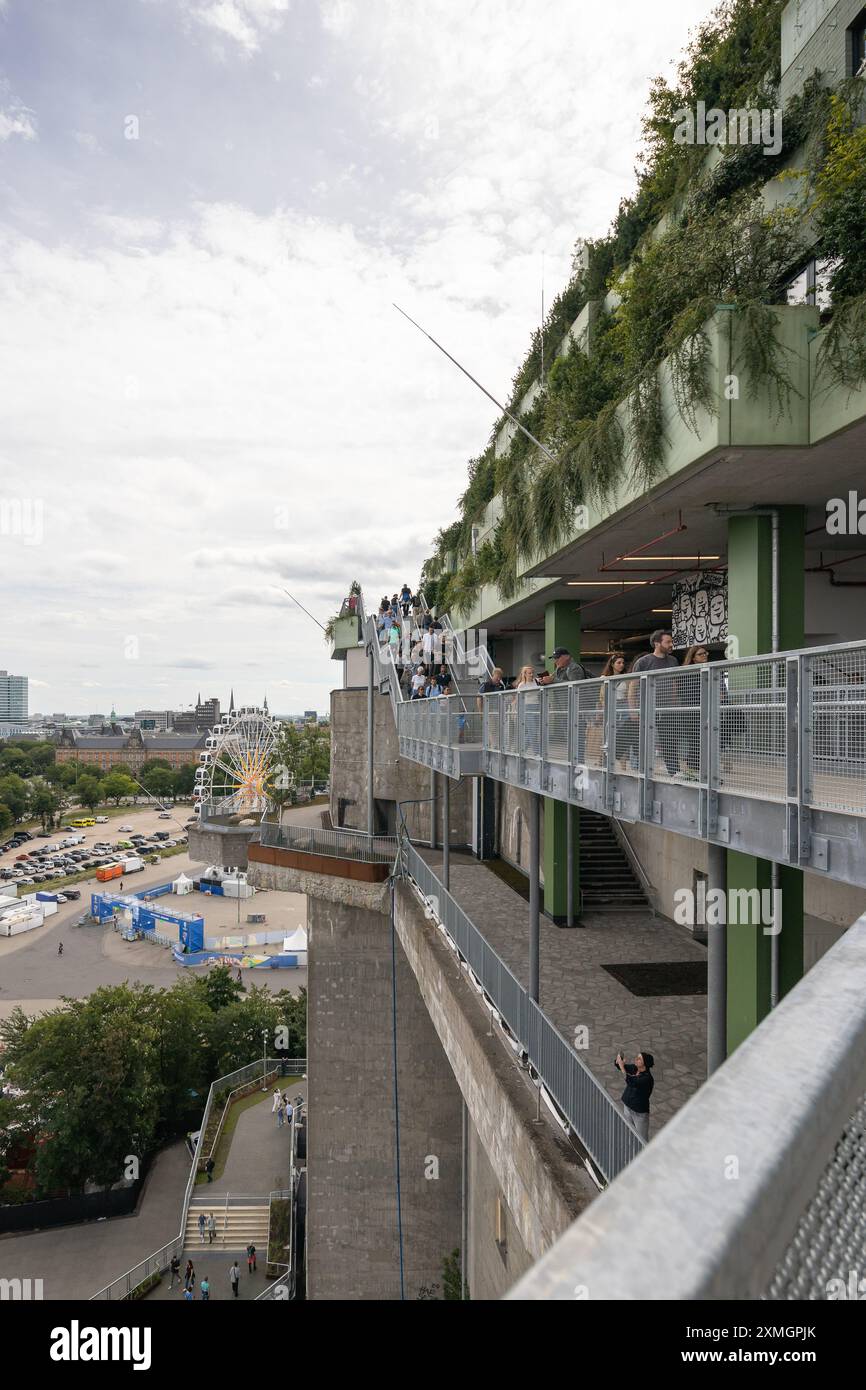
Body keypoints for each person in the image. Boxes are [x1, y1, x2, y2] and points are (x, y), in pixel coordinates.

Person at [629, 630, 681, 777]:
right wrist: (633, 710)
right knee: (644, 741)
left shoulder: (673, 661)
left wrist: (675, 704)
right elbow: (633, 686)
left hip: (667, 710)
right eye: (668, 642)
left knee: (670, 740)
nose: (671, 644)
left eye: (671, 642)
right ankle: (642, 770)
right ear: (657, 643)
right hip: (647, 709)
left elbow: (673, 683)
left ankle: (673, 771)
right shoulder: (644, 662)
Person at [600, 652, 638, 771]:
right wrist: (603, 709)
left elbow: (631, 694)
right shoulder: (604, 678)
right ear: (612, 664)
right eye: (618, 662)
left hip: (625, 707)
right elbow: (601, 697)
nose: (621, 665)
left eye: (623, 663)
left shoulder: (627, 678)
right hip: (611, 708)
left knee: (624, 737)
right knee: (610, 736)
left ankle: (623, 767)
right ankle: (608, 762)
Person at [681, 645, 710, 777]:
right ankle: (693, 770)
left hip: (706, 712)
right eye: (701, 654)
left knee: (706, 741)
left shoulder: (709, 671)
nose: (705, 655)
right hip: (692, 714)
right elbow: (688, 695)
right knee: (696, 741)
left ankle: (701, 771)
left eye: (705, 653)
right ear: (693, 658)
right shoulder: (689, 673)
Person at [615, 1050, 655, 1142]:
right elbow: (620, 1067)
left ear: (645, 1064)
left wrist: (621, 1066)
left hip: (639, 1113)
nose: (636, 1059)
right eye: (637, 1057)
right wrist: (618, 1062)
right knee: (628, 1133)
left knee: (642, 1139)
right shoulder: (634, 1068)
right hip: (628, 1107)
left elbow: (632, 1082)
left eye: (639, 1059)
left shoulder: (647, 1078)